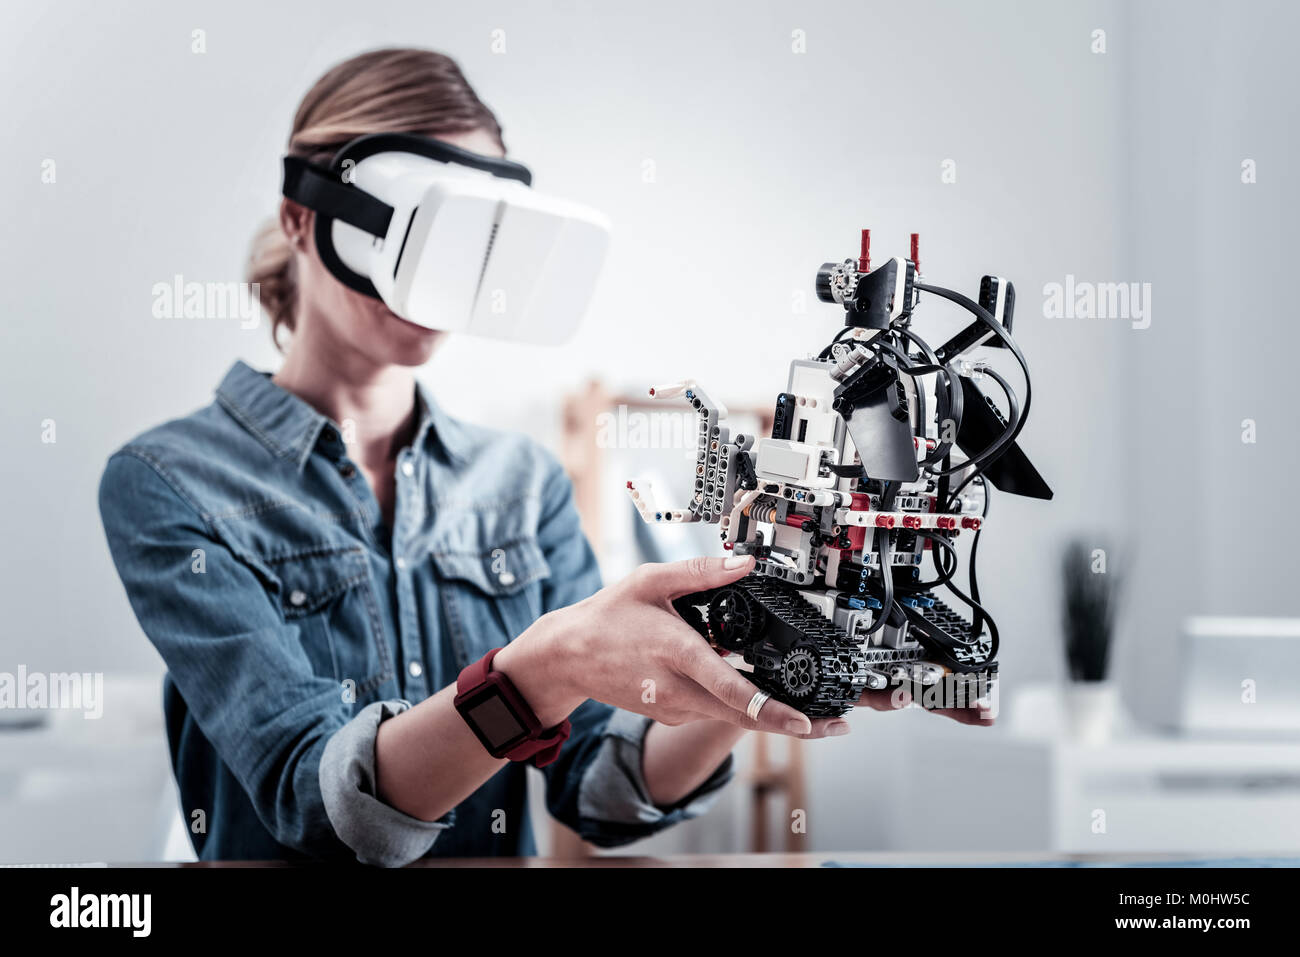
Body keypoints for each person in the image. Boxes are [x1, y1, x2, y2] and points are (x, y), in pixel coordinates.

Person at [98, 47, 988, 867]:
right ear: (302, 220)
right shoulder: (173, 481)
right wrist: (539, 672)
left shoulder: (517, 483)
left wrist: (755, 672)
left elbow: (603, 787)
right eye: (424, 234)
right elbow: (324, 809)